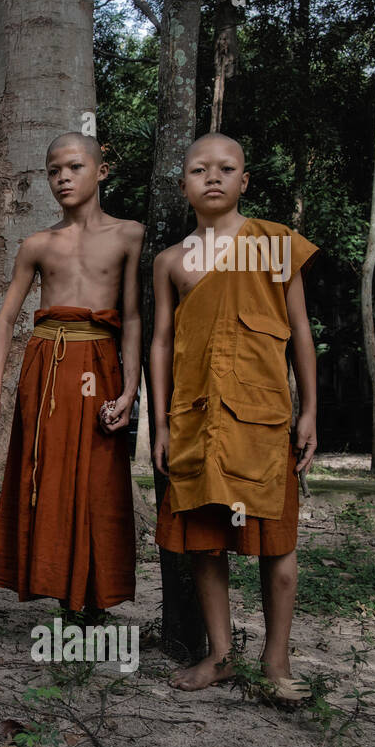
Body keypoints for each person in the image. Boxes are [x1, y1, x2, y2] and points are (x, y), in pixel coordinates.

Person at [150, 133, 319, 701]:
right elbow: (160, 344)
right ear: (185, 186)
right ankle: (221, 655)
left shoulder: (274, 245)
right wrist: (161, 425)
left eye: (227, 169)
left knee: (278, 544)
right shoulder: (171, 261)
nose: (214, 177)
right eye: (200, 169)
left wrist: (310, 411)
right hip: (197, 421)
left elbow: (300, 333)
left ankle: (277, 661)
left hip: (263, 420)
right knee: (205, 542)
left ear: (245, 181)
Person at [0, 133, 143, 613]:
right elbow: (6, 317)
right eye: (53, 171)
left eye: (74, 167)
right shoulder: (38, 244)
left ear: (100, 171)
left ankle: (92, 597)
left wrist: (131, 388)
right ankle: (56, 589)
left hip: (100, 363)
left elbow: (131, 317)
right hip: (46, 365)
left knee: (97, 477)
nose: (63, 178)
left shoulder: (129, 234)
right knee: (44, 473)